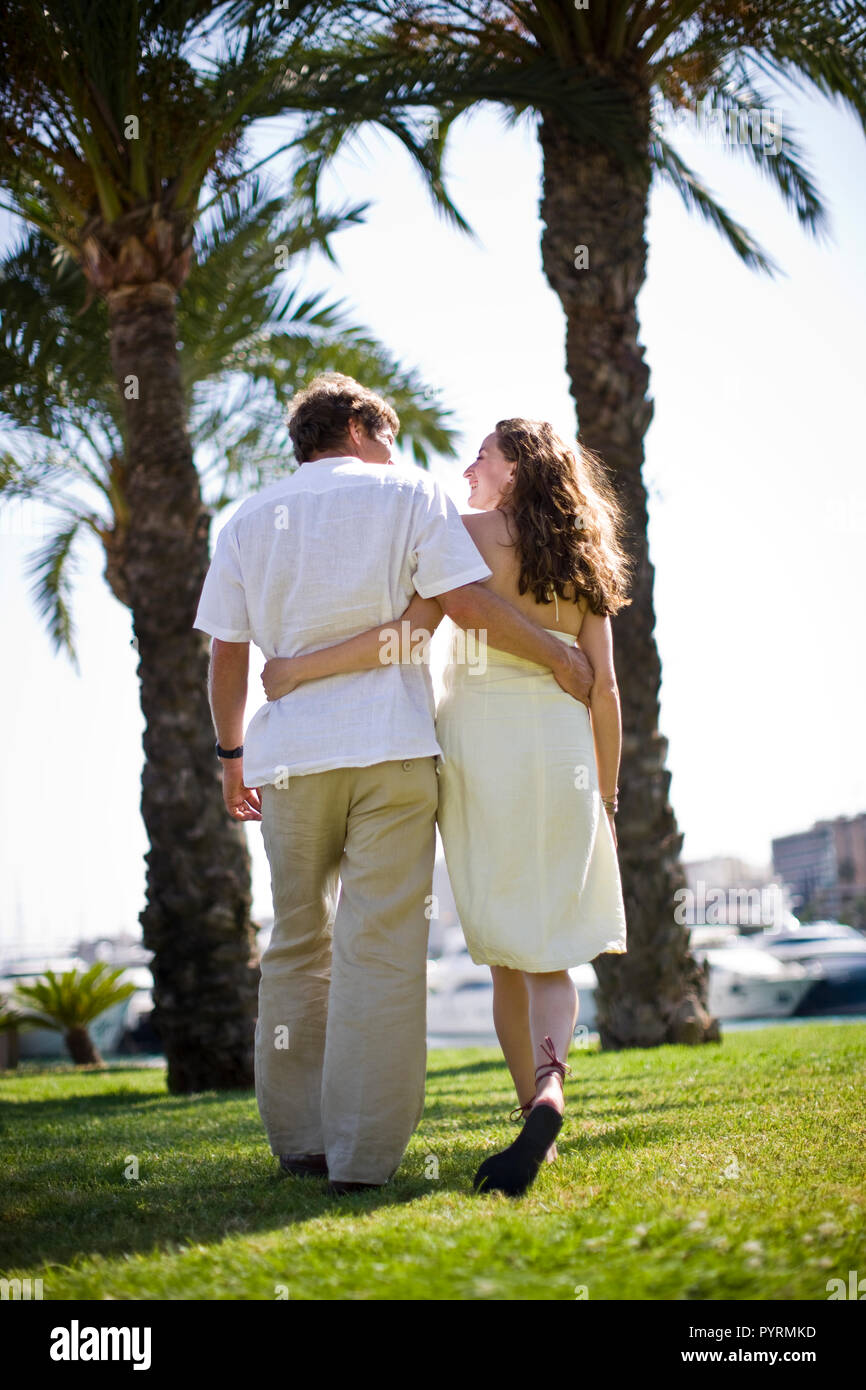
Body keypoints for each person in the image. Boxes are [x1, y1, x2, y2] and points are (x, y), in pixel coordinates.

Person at [193, 376, 594, 1195]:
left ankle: (300, 1142)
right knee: (380, 950)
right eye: (386, 431)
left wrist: (232, 755)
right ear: (355, 425)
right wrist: (558, 654)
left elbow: (226, 654)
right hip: (394, 755)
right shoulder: (411, 494)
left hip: (291, 761)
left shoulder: (246, 521)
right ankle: (363, 1159)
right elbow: (458, 604)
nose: (395, 447)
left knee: (297, 942)